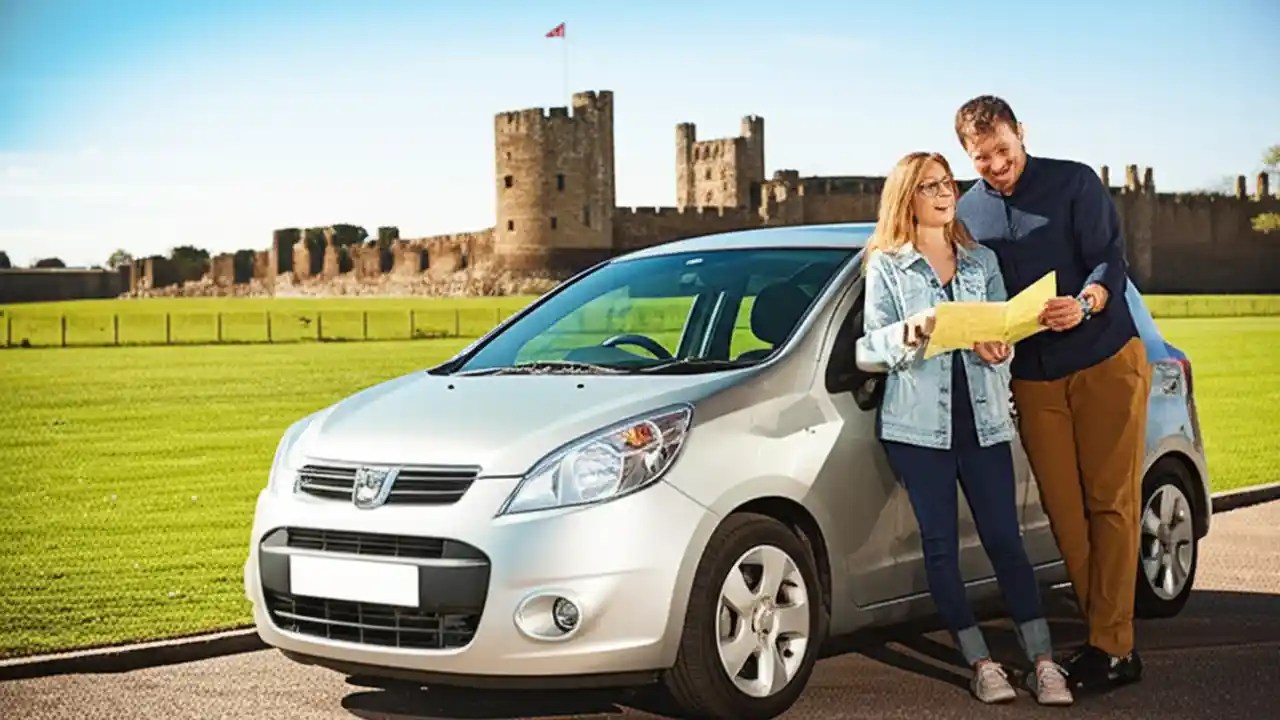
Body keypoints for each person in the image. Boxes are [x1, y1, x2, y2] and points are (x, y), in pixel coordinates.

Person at [855, 151, 1073, 706]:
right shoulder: (886, 264)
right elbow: (867, 349)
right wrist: (915, 329)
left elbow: (1001, 331)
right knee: (941, 549)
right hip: (918, 430)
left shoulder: (980, 263)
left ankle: (1044, 662)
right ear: (908, 197)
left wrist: (1001, 346)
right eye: (929, 185)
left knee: (1005, 540)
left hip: (984, 422)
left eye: (947, 182)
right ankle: (982, 663)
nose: (944, 192)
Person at [951, 95, 1152, 694]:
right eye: (981, 157)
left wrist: (1085, 303)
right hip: (1033, 378)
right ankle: (1107, 640)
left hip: (1104, 358)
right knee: (1066, 513)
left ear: (1022, 135)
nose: (995, 165)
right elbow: (971, 288)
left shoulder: (1074, 183)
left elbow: (1109, 262)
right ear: (969, 155)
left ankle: (1112, 647)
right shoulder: (967, 213)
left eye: (1003, 151)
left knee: (1110, 503)